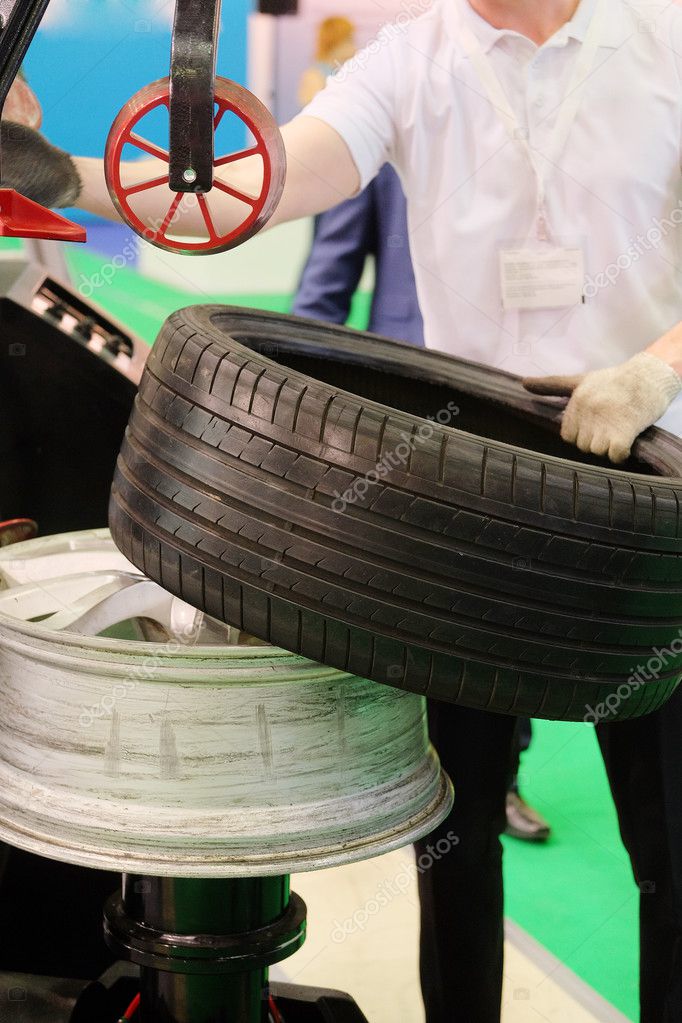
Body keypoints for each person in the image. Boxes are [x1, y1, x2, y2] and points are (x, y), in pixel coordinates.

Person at [7, 2, 682, 1018]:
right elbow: (256, 185)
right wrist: (58, 170)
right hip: (473, 499)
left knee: (669, 838)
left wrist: (655, 373)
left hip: (647, 490)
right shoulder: (410, 58)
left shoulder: (665, 39)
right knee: (453, 838)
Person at [293, 164, 551, 843]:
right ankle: (398, 769)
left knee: (510, 606)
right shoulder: (386, 126)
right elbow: (326, 281)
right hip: (404, 418)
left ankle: (502, 780)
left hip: (521, 409)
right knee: (411, 606)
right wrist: (297, 405)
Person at [297, 17, 357, 108]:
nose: (354, 46)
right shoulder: (314, 76)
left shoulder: (348, 72)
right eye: (349, 40)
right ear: (334, 43)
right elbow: (314, 112)